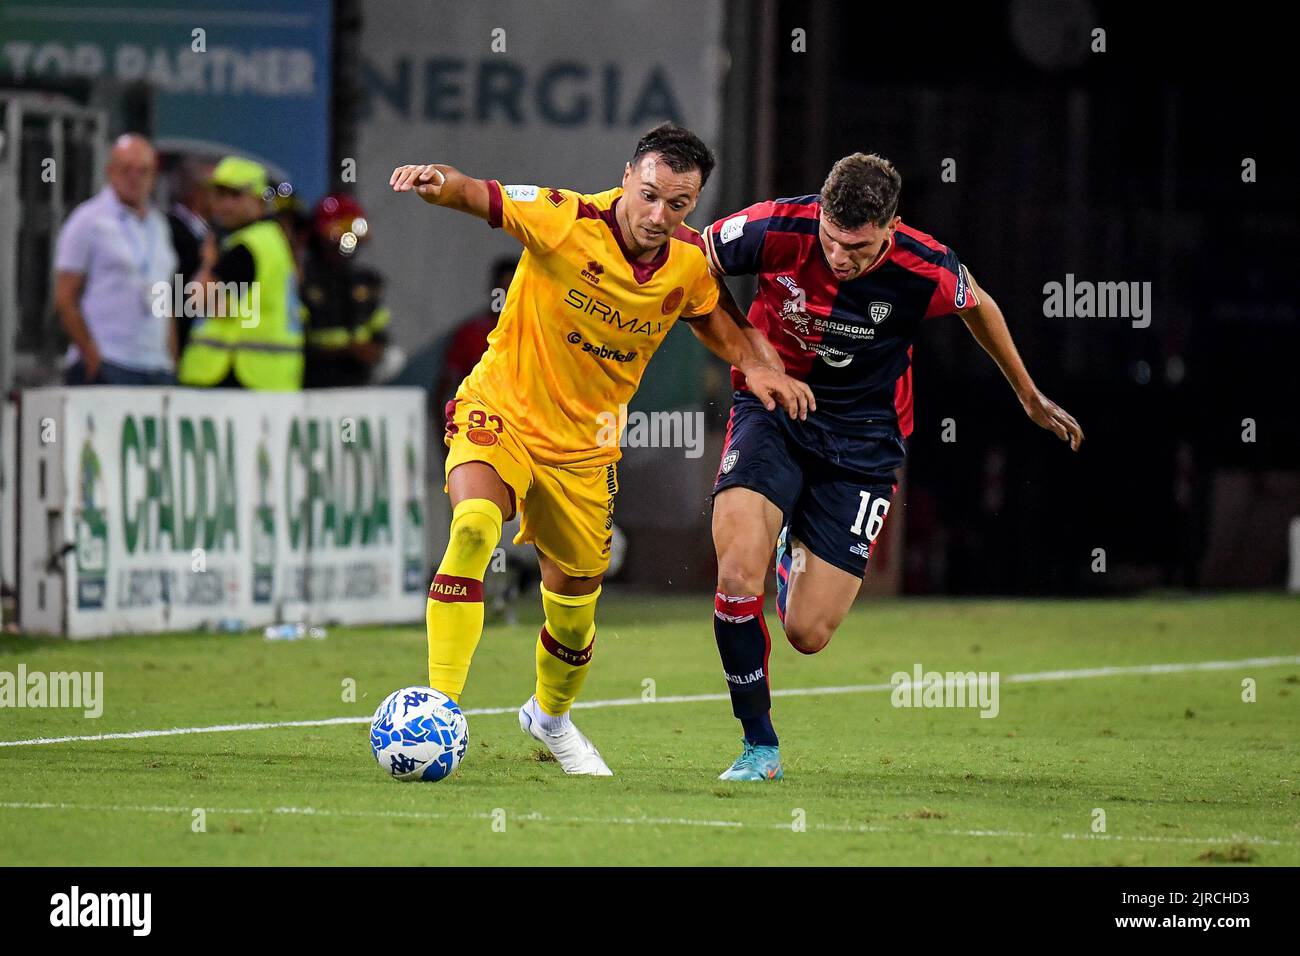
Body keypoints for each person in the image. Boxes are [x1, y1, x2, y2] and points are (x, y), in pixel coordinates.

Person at [390, 122, 811, 776]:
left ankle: (550, 718)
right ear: (626, 177)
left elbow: (719, 324)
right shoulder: (563, 217)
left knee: (576, 598)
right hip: (500, 407)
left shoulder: (688, 262)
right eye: (649, 195)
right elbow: (478, 194)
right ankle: (438, 707)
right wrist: (436, 183)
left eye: (678, 205)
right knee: (474, 526)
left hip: (586, 449)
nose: (658, 215)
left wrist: (757, 366)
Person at [703, 153, 1085, 780]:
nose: (839, 257)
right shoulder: (776, 226)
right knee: (735, 571)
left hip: (864, 439)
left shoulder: (924, 264)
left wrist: (1027, 394)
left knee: (808, 632)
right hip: (772, 408)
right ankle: (759, 745)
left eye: (857, 247)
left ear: (890, 227)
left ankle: (791, 547)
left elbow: (978, 305)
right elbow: (698, 263)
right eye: (830, 239)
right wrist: (754, 351)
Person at [54, 133, 177, 385]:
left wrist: (171, 356)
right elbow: (65, 297)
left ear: (154, 177)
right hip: (110, 358)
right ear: (110, 171)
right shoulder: (88, 221)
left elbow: (165, 296)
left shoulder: (159, 225)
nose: (135, 178)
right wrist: (90, 355)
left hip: (155, 364)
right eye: (126, 169)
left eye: (143, 171)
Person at [177, 157, 303, 391]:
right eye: (219, 195)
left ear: (257, 199)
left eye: (235, 195)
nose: (224, 205)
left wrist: (208, 263)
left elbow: (198, 301)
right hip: (270, 378)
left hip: (239, 376)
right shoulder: (271, 240)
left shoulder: (248, 247)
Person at [302, 193, 391, 388]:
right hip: (311, 384)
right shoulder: (303, 280)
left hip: (359, 384)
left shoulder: (367, 281)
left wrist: (377, 348)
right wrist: (347, 350)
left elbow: (379, 329)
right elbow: (297, 340)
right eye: (340, 231)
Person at [435, 256, 517, 415]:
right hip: (480, 422)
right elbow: (443, 390)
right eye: (502, 290)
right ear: (493, 290)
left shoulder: (538, 332)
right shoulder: (470, 332)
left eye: (512, 290)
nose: (506, 297)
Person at [166, 156, 215, 355]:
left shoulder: (209, 232)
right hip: (181, 340)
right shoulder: (170, 231)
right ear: (198, 193)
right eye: (216, 191)